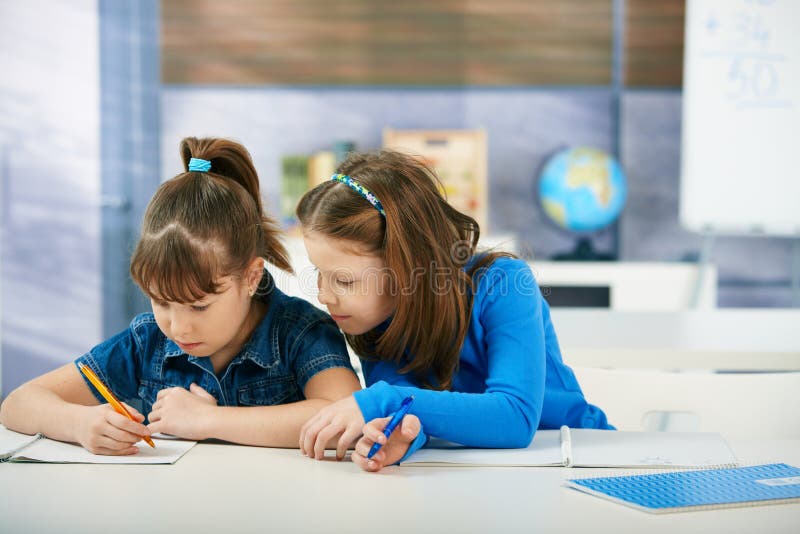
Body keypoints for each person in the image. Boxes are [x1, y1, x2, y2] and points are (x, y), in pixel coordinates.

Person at [0, 137, 361, 455]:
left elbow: (345, 411)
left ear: (251, 278)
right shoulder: (146, 342)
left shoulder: (301, 332)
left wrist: (210, 420)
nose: (179, 327)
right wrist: (78, 423)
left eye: (199, 305)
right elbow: (18, 403)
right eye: (161, 301)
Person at [296, 150, 612, 472]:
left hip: (583, 458)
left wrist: (384, 402)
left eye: (345, 281)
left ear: (407, 266)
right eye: (319, 272)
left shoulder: (504, 283)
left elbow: (516, 416)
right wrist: (399, 437)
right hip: (478, 476)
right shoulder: (375, 317)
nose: (323, 295)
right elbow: (416, 410)